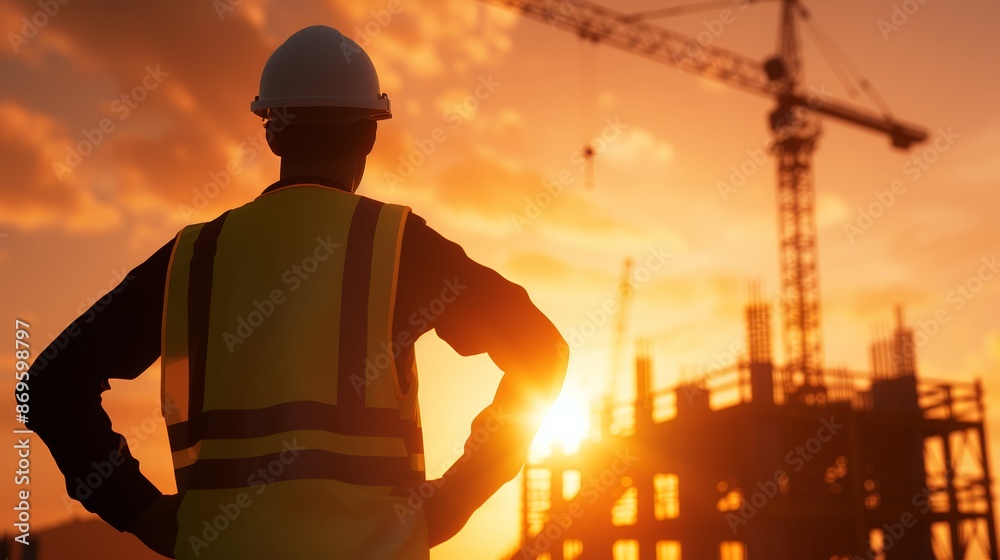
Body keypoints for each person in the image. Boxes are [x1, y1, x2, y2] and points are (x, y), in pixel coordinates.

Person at [25, 25, 567, 559]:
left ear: (271, 131)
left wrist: (137, 509)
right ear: (371, 133)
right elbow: (542, 353)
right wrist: (452, 502)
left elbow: (50, 385)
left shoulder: (193, 258)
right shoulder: (399, 248)